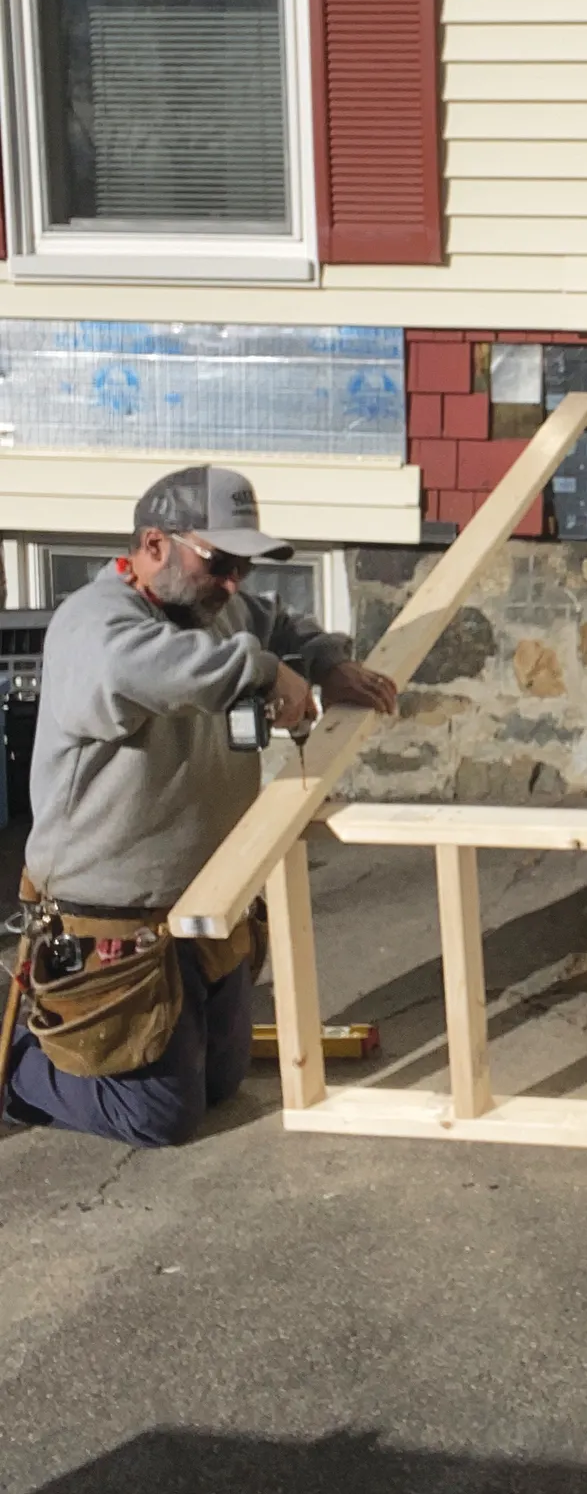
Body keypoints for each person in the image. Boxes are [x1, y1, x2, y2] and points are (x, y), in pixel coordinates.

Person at [1, 465, 396, 1148]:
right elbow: (159, 667)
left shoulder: (218, 608)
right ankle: (17, 1072)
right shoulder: (93, 625)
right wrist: (268, 671)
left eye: (243, 563)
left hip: (208, 903)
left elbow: (279, 624)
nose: (235, 580)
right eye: (220, 561)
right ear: (154, 544)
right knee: (161, 1117)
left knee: (222, 1083)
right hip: (114, 916)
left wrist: (325, 662)